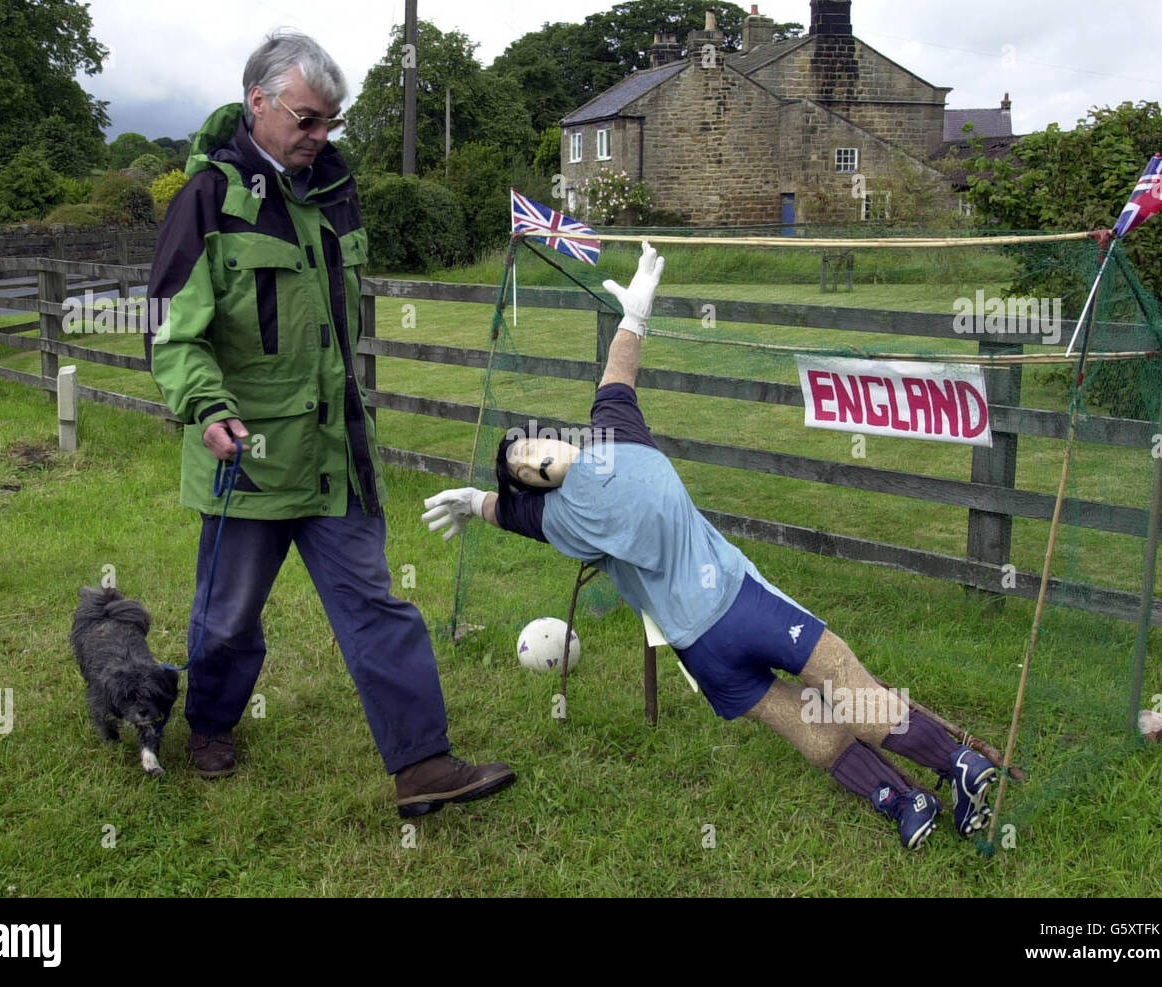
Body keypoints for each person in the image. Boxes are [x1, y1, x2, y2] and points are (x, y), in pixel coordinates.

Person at [421, 242, 996, 848]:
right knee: (811, 720)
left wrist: (476, 500)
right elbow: (597, 399)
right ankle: (912, 795)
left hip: (726, 619)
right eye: (531, 466)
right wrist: (635, 315)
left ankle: (945, 774)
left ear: (556, 440)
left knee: (842, 687)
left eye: (536, 446)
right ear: (537, 486)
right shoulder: (596, 465)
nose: (542, 457)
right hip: (714, 637)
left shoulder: (599, 457)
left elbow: (608, 384)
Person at [147, 29, 513, 817]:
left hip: (335, 452)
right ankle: (210, 723)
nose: (320, 137)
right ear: (258, 102)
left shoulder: (337, 187)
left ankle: (422, 764)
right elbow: (175, 333)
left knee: (377, 606)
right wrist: (206, 407)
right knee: (229, 616)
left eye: (329, 124)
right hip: (248, 454)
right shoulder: (206, 200)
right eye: (307, 120)